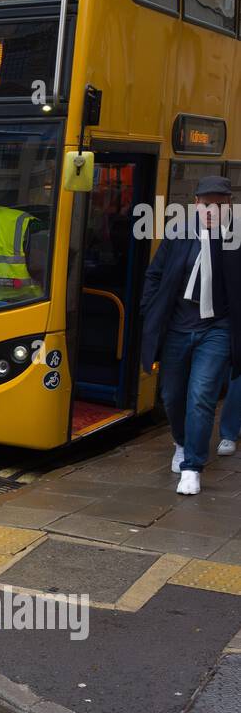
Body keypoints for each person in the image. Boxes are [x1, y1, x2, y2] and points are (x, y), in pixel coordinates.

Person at [140, 175, 241, 495]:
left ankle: (192, 467)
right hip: (177, 327)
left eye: (218, 203)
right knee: (172, 395)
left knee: (201, 396)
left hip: (217, 329)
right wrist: (149, 308)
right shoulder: (178, 234)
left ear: (228, 206)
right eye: (205, 203)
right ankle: (181, 442)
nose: (211, 209)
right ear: (195, 204)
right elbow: (155, 274)